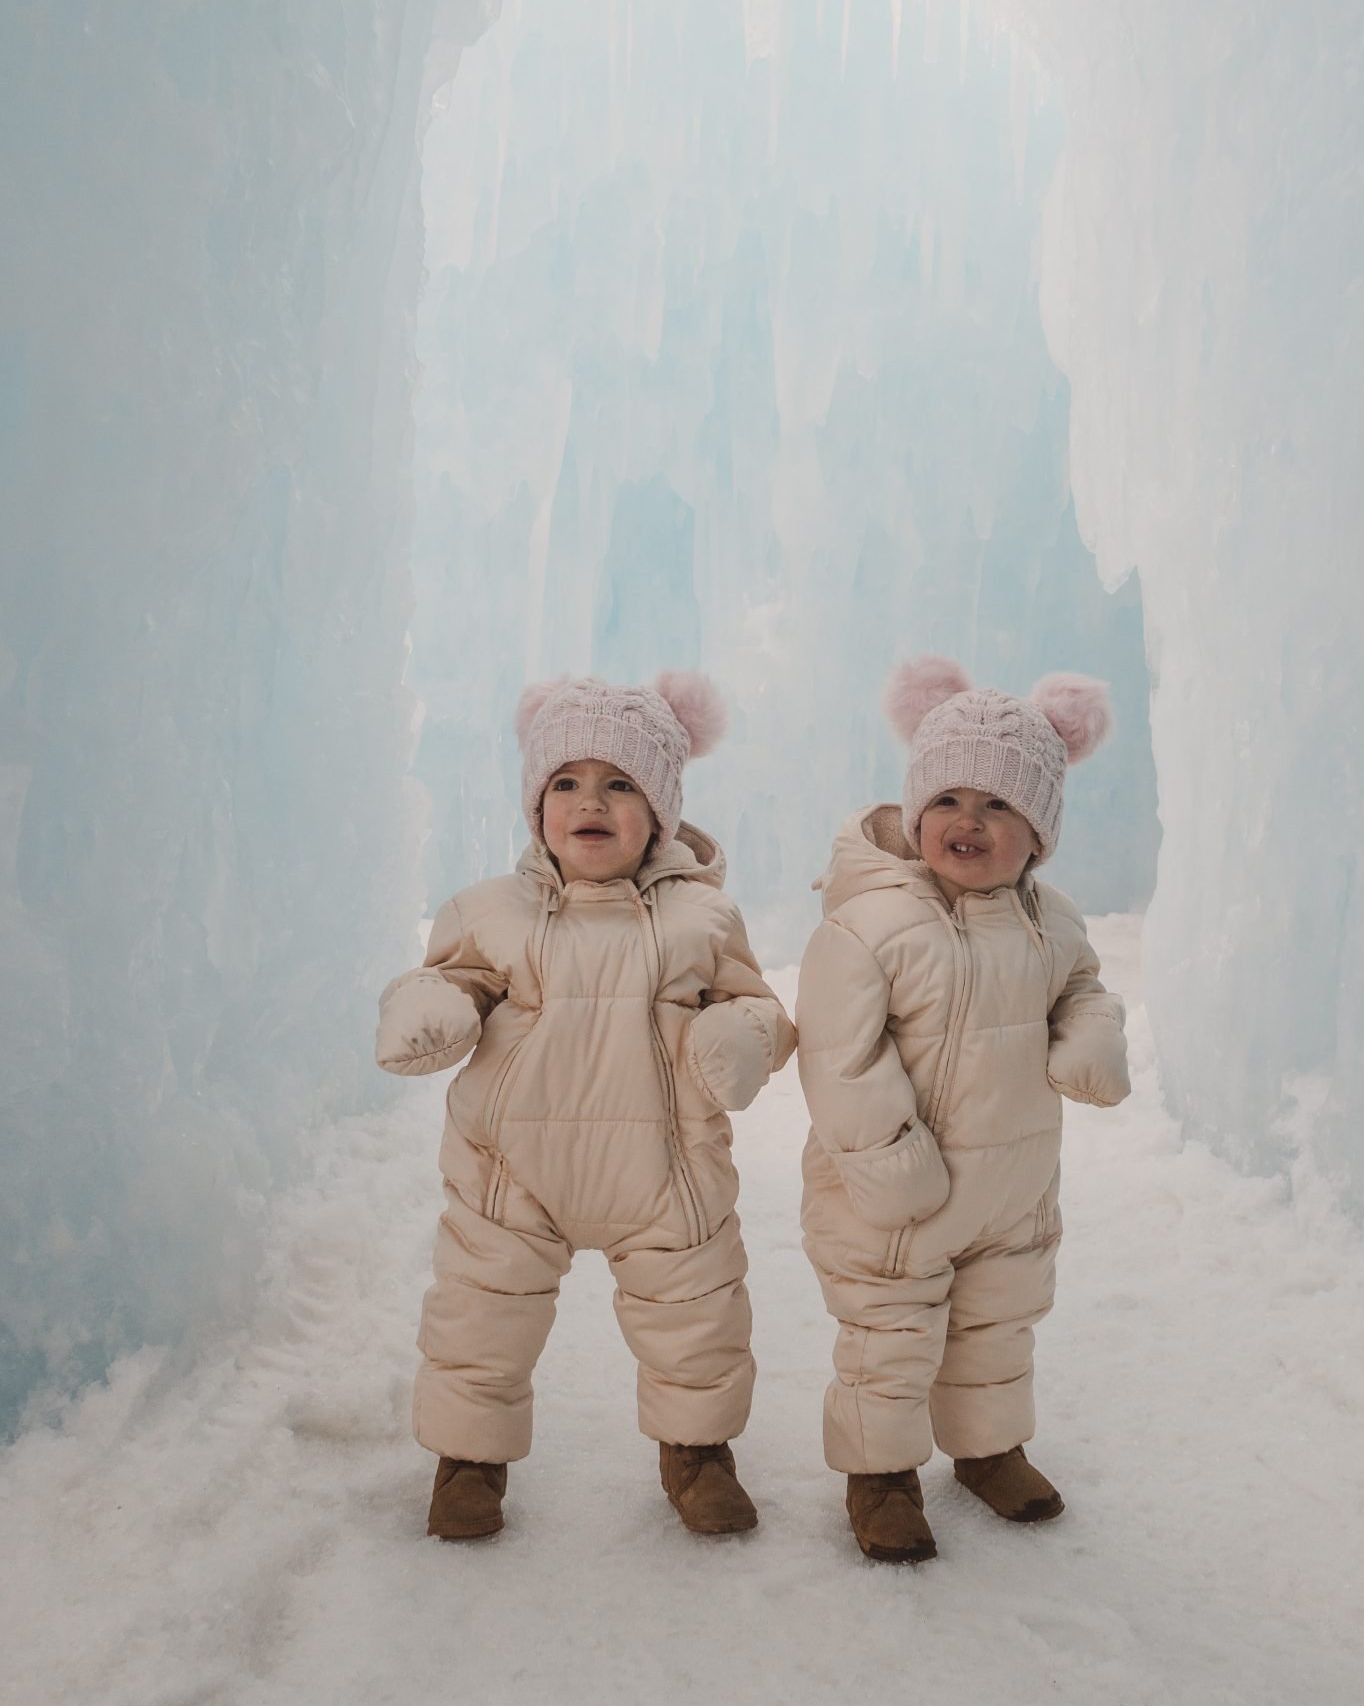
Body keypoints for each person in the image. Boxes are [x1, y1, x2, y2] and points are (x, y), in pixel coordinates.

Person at [376, 671, 795, 1543]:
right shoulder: (490, 910)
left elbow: (758, 1005)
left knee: (696, 1314)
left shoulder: (701, 916)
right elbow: (446, 976)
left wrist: (741, 1038)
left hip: (666, 1169)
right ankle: (468, 1459)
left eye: (619, 784)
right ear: (536, 807)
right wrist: (435, 1011)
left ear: (660, 811)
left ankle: (698, 1453)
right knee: (482, 1312)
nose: (587, 802)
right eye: (565, 782)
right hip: (511, 1170)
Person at [795, 657, 1132, 1563]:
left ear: (1039, 832)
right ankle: (881, 1475)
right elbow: (837, 1054)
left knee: (996, 1323)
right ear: (915, 814)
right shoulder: (869, 923)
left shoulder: (1051, 923)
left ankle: (988, 1450)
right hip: (895, 1195)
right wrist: (889, 1162)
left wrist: (1092, 1037)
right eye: (947, 801)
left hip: (1010, 1190)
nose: (968, 823)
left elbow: (1085, 990)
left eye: (999, 806)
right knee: (890, 1336)